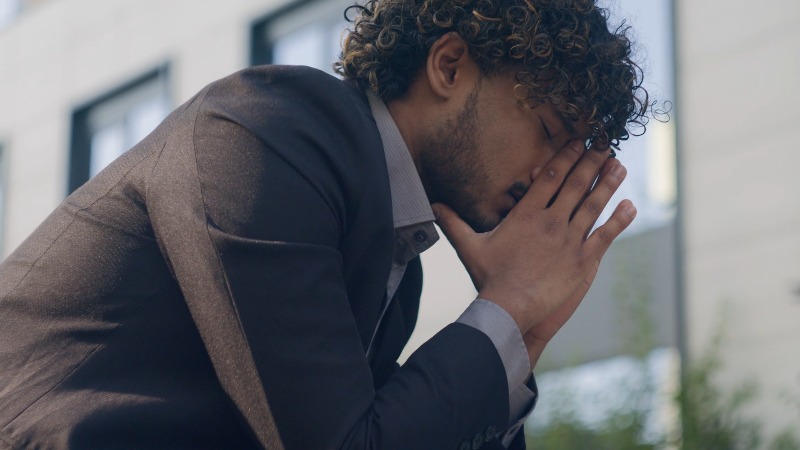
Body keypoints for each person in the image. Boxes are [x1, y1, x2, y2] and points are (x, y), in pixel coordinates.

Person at [0, 0, 650, 449]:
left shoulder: (393, 258)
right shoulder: (269, 133)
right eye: (549, 133)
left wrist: (521, 333)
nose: (551, 178)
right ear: (449, 66)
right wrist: (504, 308)